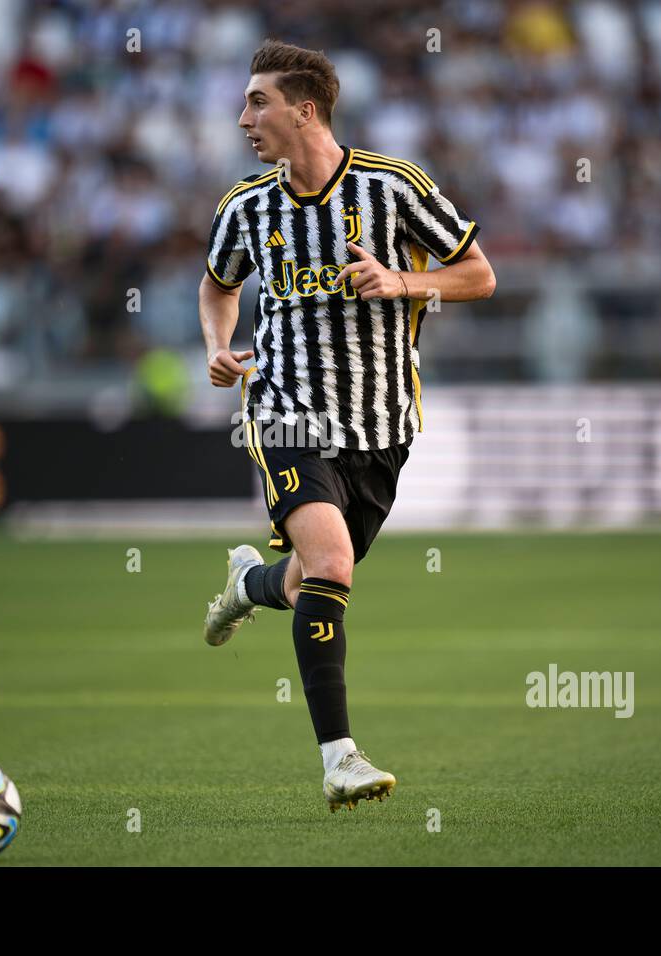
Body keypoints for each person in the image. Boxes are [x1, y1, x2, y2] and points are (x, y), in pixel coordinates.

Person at [197, 39, 496, 812]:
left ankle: (248, 583)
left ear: (306, 110)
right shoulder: (246, 207)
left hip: (382, 427)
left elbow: (479, 274)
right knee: (331, 564)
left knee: (307, 581)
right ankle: (340, 760)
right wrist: (216, 346)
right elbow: (216, 285)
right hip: (285, 411)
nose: (243, 119)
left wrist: (402, 279)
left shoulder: (394, 188)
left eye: (257, 102)